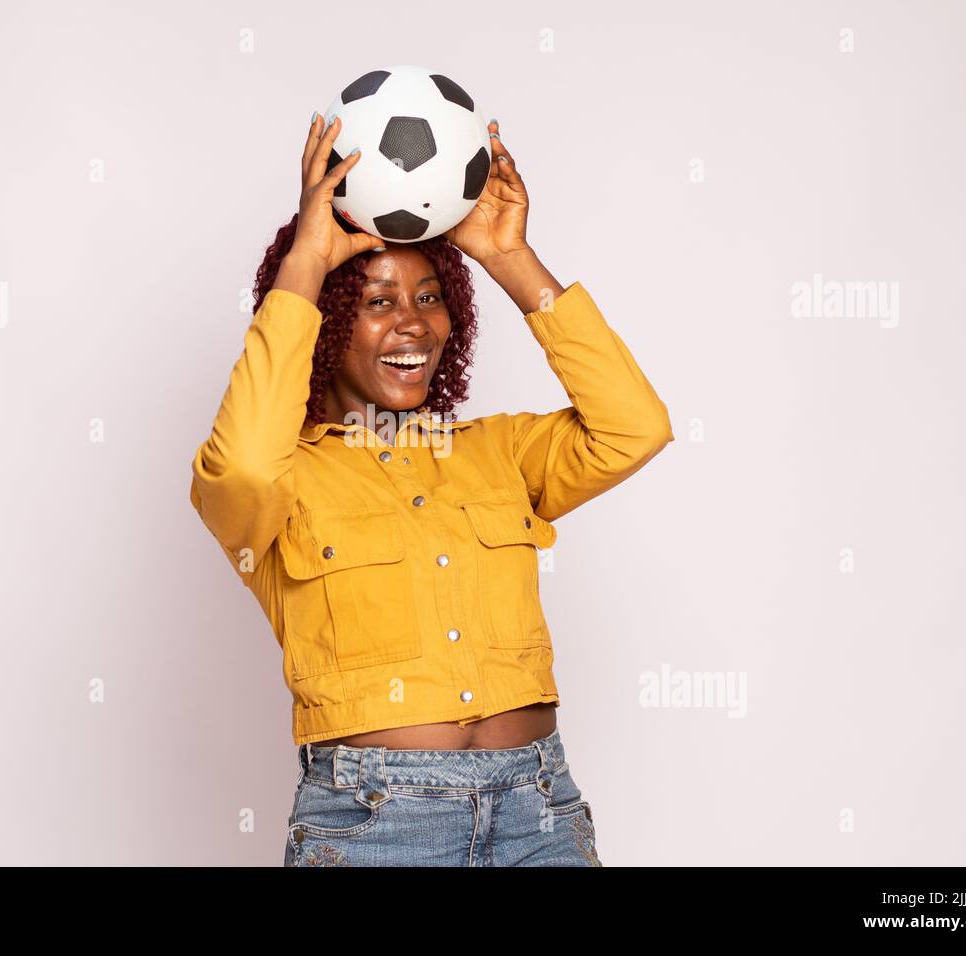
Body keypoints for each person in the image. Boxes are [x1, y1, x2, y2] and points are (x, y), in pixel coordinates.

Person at [190, 112, 673, 865]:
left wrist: (509, 257)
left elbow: (633, 427)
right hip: (374, 822)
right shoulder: (279, 479)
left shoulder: (499, 451)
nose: (413, 325)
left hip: (538, 809)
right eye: (378, 302)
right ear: (326, 323)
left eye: (429, 297)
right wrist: (305, 266)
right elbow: (243, 468)